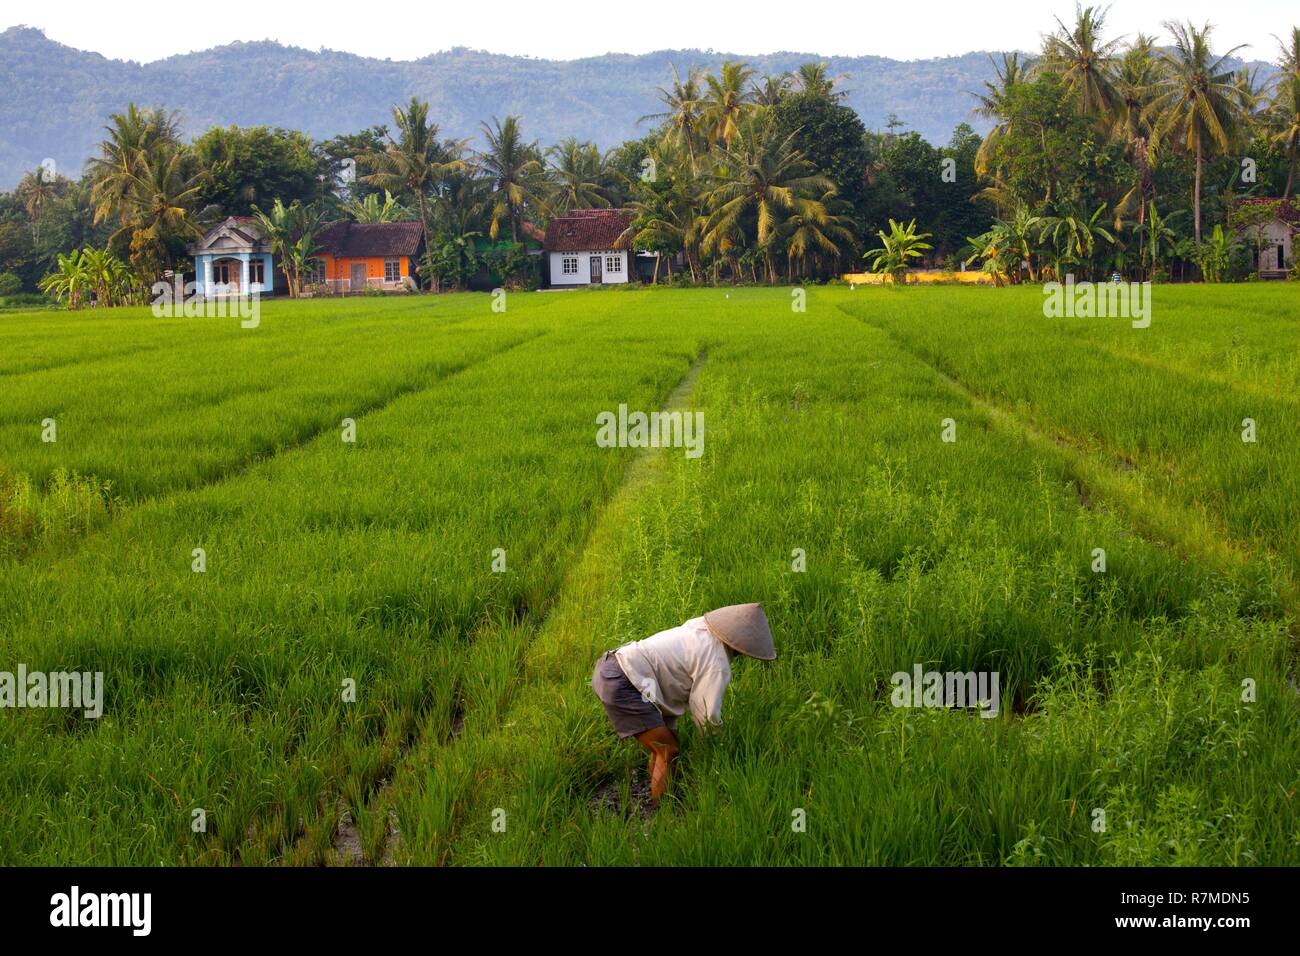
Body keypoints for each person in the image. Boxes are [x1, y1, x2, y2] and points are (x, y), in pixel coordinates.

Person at [591, 603, 776, 803]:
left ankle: (655, 792)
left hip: (612, 666)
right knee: (668, 749)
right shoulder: (716, 662)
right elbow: (706, 714)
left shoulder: (698, 627)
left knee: (664, 744)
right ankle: (661, 813)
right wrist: (720, 748)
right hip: (624, 679)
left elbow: (671, 676)